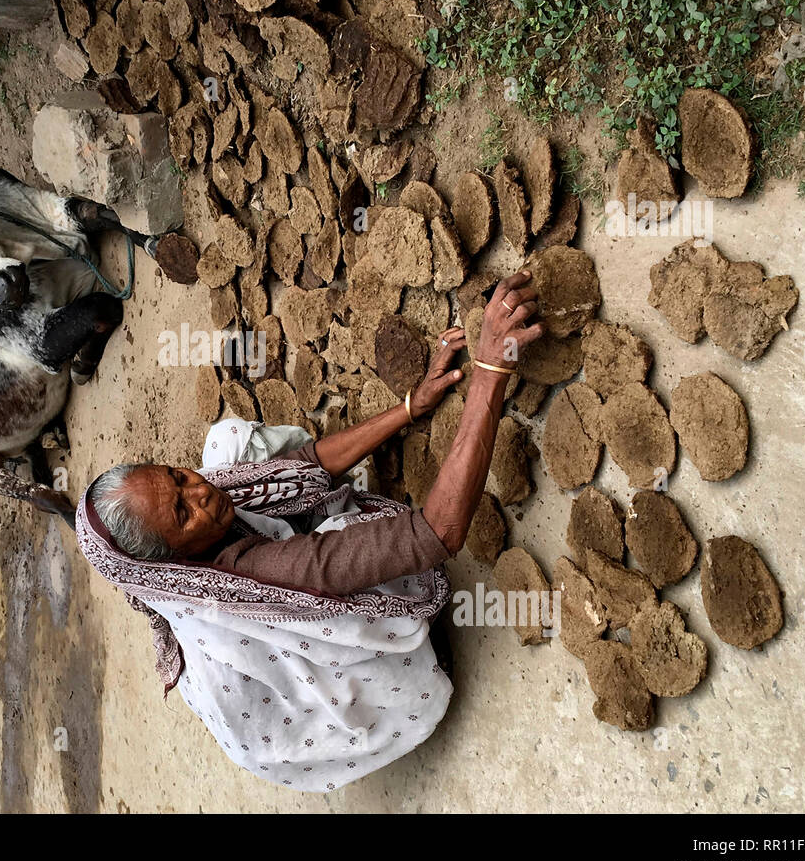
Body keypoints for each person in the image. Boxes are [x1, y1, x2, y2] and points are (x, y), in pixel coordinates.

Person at [75, 271, 543, 791]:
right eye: (183, 515)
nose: (201, 492)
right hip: (299, 717)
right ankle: (399, 678)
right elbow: (435, 534)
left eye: (178, 477)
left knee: (230, 443)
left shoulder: (206, 497)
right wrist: (489, 370)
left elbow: (304, 464)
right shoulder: (250, 577)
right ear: (173, 559)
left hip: (263, 588)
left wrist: (413, 405)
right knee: (357, 553)